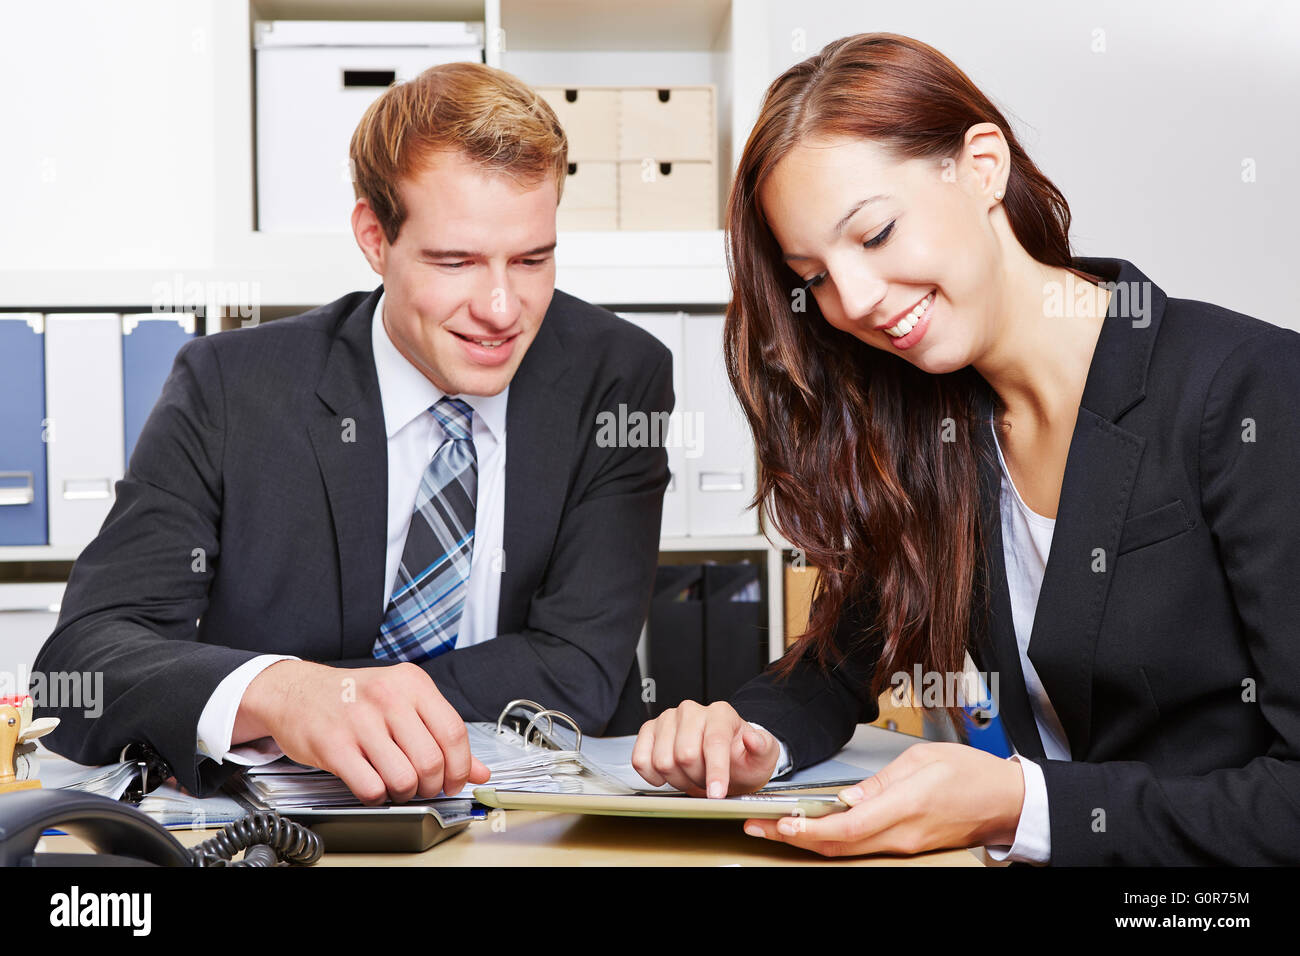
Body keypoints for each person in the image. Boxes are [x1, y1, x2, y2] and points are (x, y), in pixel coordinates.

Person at [631, 32, 1300, 865]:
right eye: (816, 278)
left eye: (873, 235)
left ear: (983, 166)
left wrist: (1021, 807)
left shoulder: (1248, 386)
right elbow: (838, 666)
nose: (858, 302)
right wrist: (749, 739)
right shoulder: (937, 428)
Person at [34, 62, 673, 806]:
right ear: (375, 237)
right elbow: (79, 667)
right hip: (281, 834)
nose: (503, 308)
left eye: (533, 259)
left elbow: (580, 670)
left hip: (535, 825)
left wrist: (337, 702)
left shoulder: (619, 377)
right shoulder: (230, 387)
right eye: (455, 260)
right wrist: (277, 694)